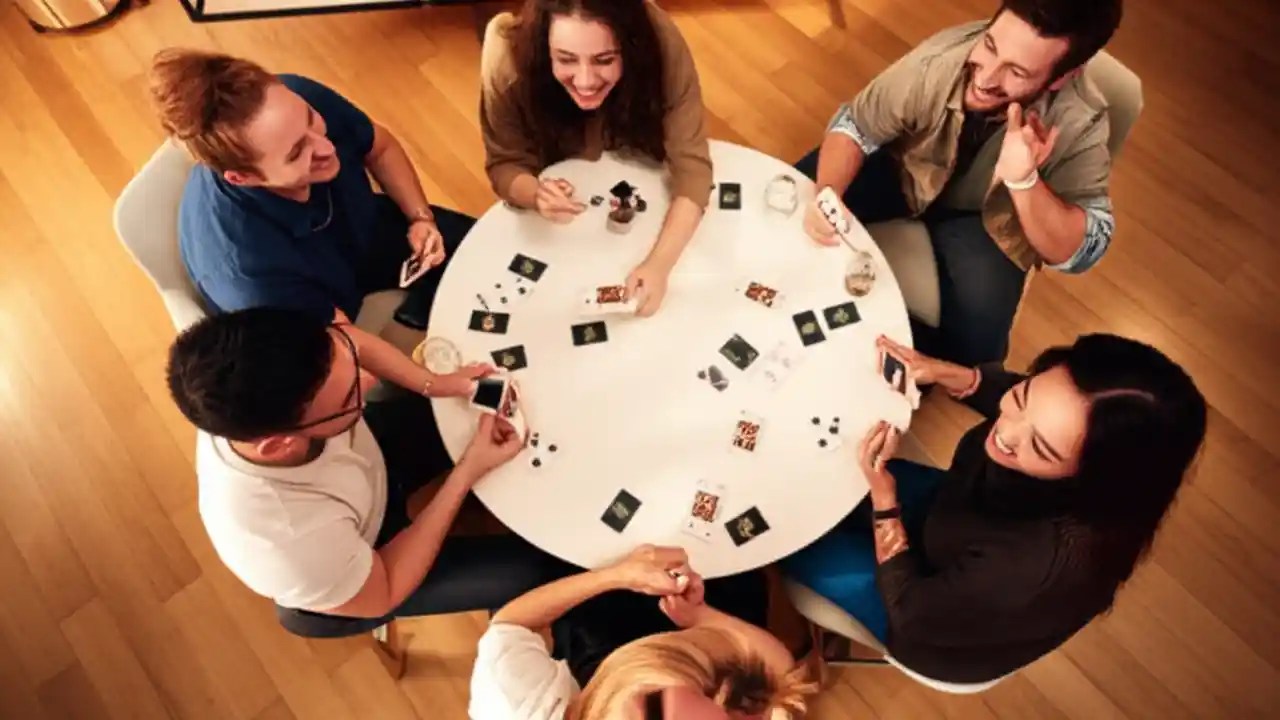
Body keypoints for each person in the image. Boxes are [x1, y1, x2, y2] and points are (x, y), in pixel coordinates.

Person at [783, 333, 1207, 683]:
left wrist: (885, 501)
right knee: (829, 479)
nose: (1004, 432)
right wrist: (950, 374)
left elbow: (913, 613)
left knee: (791, 537)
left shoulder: (1035, 566)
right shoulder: (1062, 426)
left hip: (924, 618)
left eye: (1038, 446)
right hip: (949, 515)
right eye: (1022, 397)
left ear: (1093, 479)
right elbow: (1038, 411)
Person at [166, 307, 570, 638]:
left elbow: (347, 339)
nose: (370, 380)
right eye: (349, 395)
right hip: (369, 573)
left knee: (474, 410)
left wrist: (437, 384)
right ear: (279, 444)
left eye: (350, 361)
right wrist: (465, 474)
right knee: (542, 567)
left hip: (369, 471)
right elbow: (385, 589)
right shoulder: (286, 543)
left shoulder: (277, 366)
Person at [797, 0, 1124, 366]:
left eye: (1016, 71)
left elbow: (1081, 252)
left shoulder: (1083, 121)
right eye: (990, 45)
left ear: (1064, 77)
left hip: (991, 223)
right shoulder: (939, 59)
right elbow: (856, 126)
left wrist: (1025, 181)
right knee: (795, 204)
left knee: (974, 355)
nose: (984, 80)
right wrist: (829, 193)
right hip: (903, 170)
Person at [150, 48, 474, 331]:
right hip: (314, 325)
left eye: (310, 119)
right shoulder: (251, 275)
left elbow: (380, 147)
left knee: (496, 255)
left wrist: (420, 218)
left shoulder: (294, 95)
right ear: (243, 178)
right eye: (296, 153)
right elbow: (334, 346)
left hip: (366, 231)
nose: (326, 147)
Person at [480, 0, 712, 317]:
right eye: (565, 59)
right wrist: (535, 193)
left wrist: (658, 265)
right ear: (543, 49)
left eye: (604, 60)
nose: (585, 81)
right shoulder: (507, 56)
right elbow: (504, 163)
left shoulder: (659, 40)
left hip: (642, 165)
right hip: (559, 212)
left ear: (631, 49)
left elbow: (693, 170)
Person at [469, 545, 817, 719]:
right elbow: (781, 674)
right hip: (680, 632)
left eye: (653, 706)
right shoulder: (711, 697)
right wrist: (705, 618)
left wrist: (617, 575)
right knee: (742, 576)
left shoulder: (511, 702)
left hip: (592, 646)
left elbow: (512, 623)